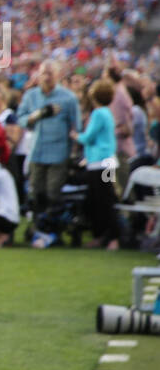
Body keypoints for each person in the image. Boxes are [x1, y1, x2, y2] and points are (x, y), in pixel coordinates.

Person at [16, 60, 80, 231]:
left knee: (53, 192)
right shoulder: (31, 96)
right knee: (36, 192)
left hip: (58, 152)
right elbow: (20, 119)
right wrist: (35, 116)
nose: (46, 77)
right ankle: (38, 226)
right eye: (43, 73)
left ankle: (53, 228)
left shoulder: (68, 98)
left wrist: (74, 150)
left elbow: (76, 126)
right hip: (36, 151)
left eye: (50, 73)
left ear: (58, 75)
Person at [78, 79, 120, 250]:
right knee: (103, 198)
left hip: (99, 162)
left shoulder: (98, 114)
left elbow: (88, 137)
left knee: (102, 200)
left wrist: (75, 135)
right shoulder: (108, 113)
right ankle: (105, 236)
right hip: (109, 160)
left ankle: (111, 237)